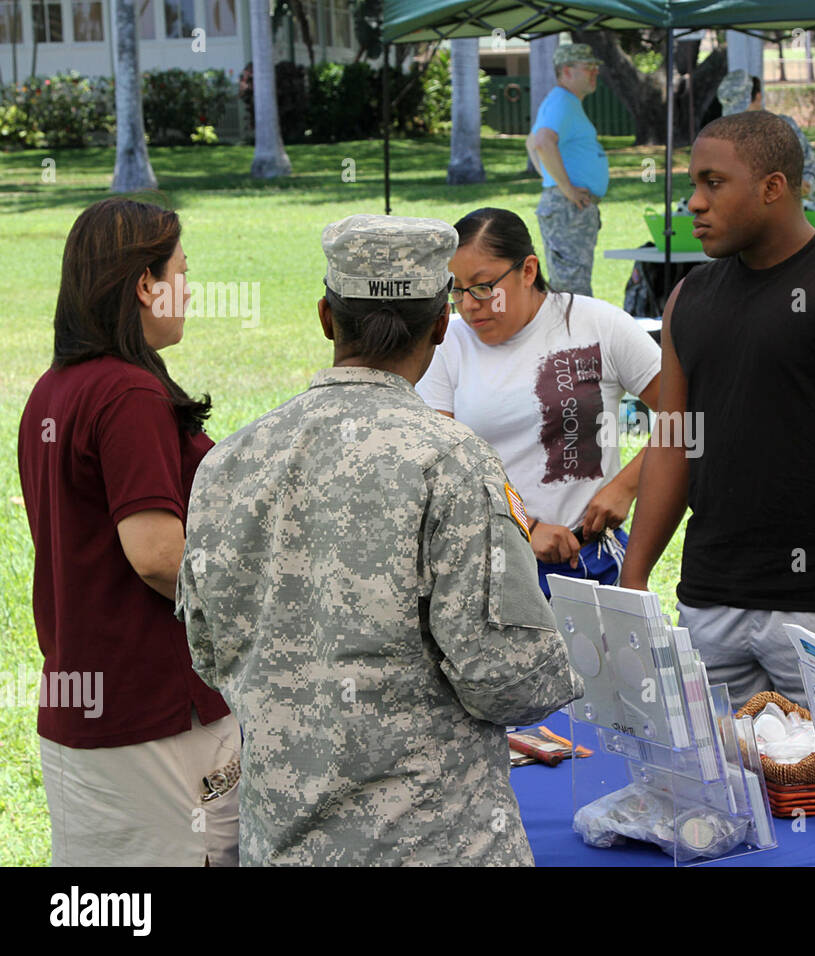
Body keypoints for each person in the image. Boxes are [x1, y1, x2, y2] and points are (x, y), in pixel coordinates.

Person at [175, 214, 583, 865]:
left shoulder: (228, 462)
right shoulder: (451, 459)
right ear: (442, 325)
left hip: (283, 847)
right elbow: (512, 681)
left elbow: (207, 649)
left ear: (326, 318)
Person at [622, 110, 815, 707]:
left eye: (713, 183)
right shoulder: (688, 297)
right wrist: (633, 578)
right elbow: (674, 440)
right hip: (708, 601)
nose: (694, 203)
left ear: (772, 187)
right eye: (692, 185)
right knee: (722, 792)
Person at [17, 197, 239, 866]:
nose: (190, 290)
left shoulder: (54, 389)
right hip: (152, 716)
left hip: (85, 712)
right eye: (181, 271)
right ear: (145, 284)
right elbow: (154, 555)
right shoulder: (129, 393)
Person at [416, 207, 661, 599]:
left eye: (483, 286)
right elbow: (445, 470)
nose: (469, 305)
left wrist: (627, 486)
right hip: (487, 571)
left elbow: (692, 417)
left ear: (528, 270)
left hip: (591, 564)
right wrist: (525, 525)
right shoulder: (446, 346)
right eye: (456, 289)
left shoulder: (597, 325)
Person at [526, 43, 609, 297]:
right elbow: (541, 142)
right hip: (568, 208)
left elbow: (532, 142)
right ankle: (574, 338)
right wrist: (566, 188)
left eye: (596, 68)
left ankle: (575, 337)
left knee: (571, 286)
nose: (595, 72)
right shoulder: (562, 101)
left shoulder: (564, 101)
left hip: (569, 207)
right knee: (572, 289)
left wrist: (553, 179)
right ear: (567, 71)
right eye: (588, 68)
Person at [717, 69, 815, 197]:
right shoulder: (722, 138)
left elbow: (810, 168)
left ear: (758, 98)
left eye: (743, 110)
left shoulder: (784, 129)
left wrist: (804, 185)